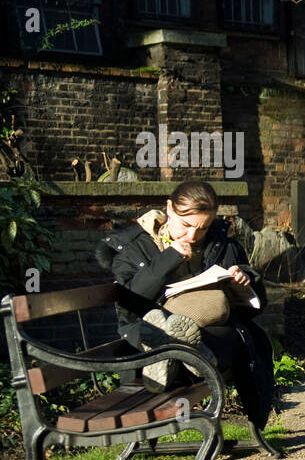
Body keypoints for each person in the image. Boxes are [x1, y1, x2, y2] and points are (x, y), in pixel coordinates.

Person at [95, 181, 275, 430]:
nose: (192, 236)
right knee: (183, 343)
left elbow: (251, 310)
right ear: (169, 208)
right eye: (187, 225)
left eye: (202, 228)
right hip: (144, 337)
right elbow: (128, 305)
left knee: (230, 335)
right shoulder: (133, 245)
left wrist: (243, 282)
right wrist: (168, 259)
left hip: (212, 335)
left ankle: (177, 344)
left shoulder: (222, 243)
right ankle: (173, 344)